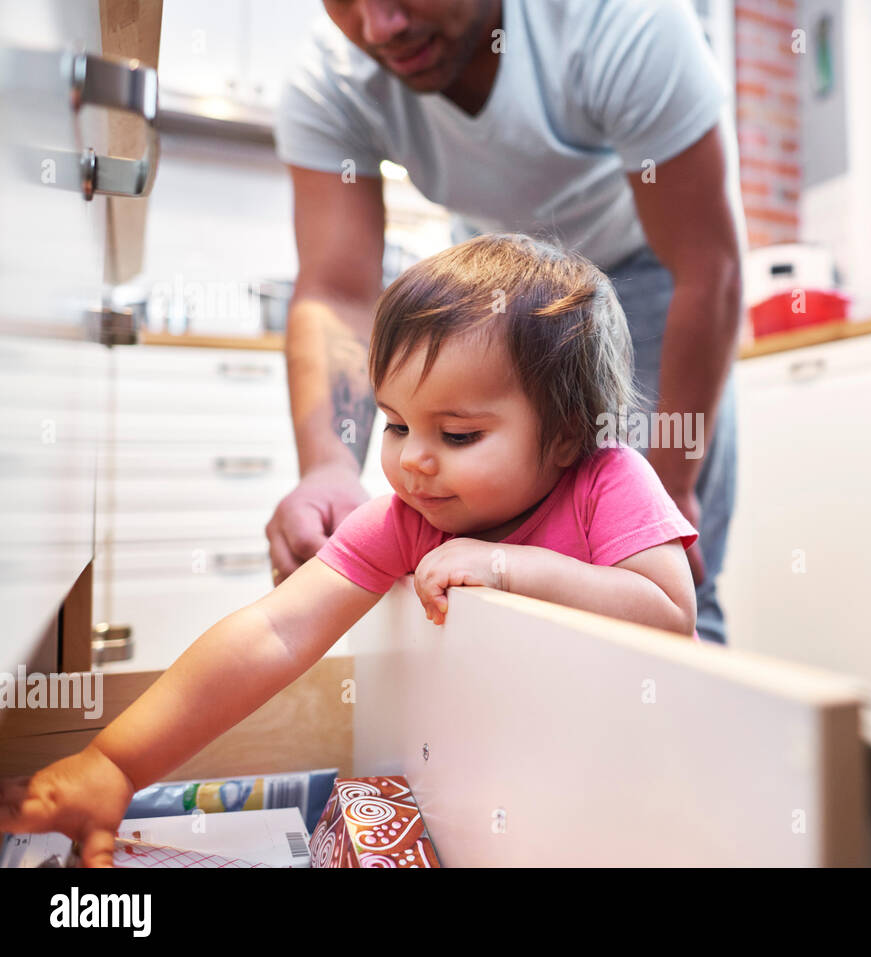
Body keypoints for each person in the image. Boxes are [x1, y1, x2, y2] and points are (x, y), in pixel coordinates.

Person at [0, 233, 701, 867]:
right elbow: (275, 629)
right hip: (517, 799)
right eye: (396, 425)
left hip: (635, 789)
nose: (414, 461)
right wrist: (116, 762)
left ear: (568, 435)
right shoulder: (407, 517)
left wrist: (506, 567)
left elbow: (670, 615)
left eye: (457, 435)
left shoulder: (608, 479)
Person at [264, 0, 744, 644]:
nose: (378, 27)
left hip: (651, 274)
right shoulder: (333, 76)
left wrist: (670, 487)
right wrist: (327, 466)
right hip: (506, 299)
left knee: (668, 574)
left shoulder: (625, 21)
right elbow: (336, 291)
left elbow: (707, 269)